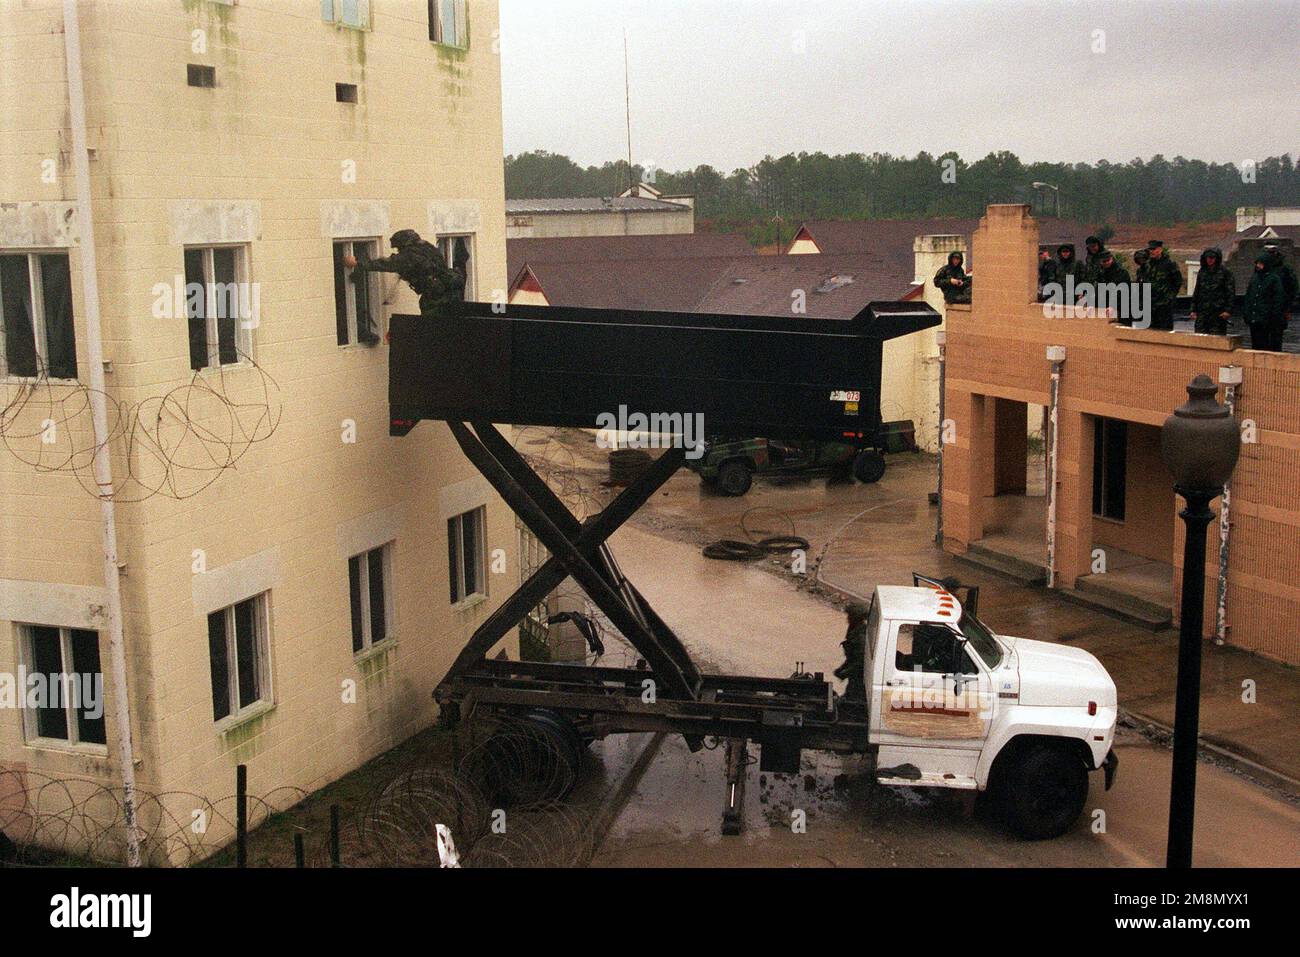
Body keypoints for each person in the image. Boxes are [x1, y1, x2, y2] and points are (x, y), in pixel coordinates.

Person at [345, 229, 466, 315]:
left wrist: (357, 263)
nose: (398, 250)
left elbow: (387, 264)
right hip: (449, 293)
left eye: (399, 248)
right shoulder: (427, 248)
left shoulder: (410, 256)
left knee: (433, 328)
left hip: (436, 296)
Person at [1243, 253, 1287, 351]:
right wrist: (1247, 313)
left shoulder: (1274, 279)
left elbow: (1278, 299)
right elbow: (1249, 297)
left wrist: (1274, 316)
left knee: (1267, 345)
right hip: (1254, 319)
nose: (1258, 266)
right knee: (1256, 345)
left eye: (1260, 264)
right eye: (1257, 263)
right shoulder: (1254, 278)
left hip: (1267, 320)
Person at [1190, 247, 1235, 336]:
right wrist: (1193, 309)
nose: (1209, 260)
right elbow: (1197, 291)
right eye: (1207, 258)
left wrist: (1228, 310)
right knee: (1199, 338)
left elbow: (1230, 293)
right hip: (1202, 312)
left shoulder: (1225, 272)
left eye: (1212, 258)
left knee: (1216, 339)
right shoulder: (1202, 271)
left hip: (1218, 313)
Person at [834, 603, 870, 703]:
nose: (847, 618)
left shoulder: (860, 636)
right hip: (854, 677)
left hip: (860, 678)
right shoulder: (854, 630)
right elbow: (852, 658)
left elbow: (860, 661)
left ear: (855, 618)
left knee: (853, 701)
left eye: (850, 616)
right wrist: (842, 668)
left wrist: (845, 672)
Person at [1143, 239, 1183, 331]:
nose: (1151, 252)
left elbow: (1177, 281)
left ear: (1160, 250)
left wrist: (1170, 297)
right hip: (1150, 304)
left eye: (1154, 249)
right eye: (1150, 249)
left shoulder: (1169, 264)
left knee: (1164, 331)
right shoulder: (1148, 265)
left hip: (1164, 305)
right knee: (1150, 331)